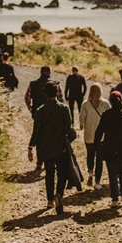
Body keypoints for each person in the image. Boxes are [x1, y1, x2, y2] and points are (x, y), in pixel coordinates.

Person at [28, 82, 73, 214]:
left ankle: (49, 201)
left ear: (45, 94)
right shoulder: (64, 109)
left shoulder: (41, 110)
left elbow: (36, 131)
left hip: (46, 147)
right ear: (57, 92)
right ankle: (59, 194)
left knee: (49, 173)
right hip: (61, 147)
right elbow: (68, 129)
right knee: (62, 173)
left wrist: (31, 147)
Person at [93, 90, 122, 206]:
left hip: (110, 148)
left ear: (110, 102)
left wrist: (95, 146)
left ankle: (115, 199)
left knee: (112, 173)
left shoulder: (106, 115)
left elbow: (99, 132)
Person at [25, 66, 63, 168]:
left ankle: (39, 162)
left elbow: (27, 97)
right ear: (50, 73)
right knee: (52, 136)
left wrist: (30, 108)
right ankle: (51, 159)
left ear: (41, 72)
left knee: (39, 136)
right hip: (54, 115)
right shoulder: (56, 84)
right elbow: (61, 100)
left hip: (38, 114)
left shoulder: (33, 84)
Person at [78, 83, 110, 188]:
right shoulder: (105, 103)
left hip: (89, 135)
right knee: (99, 159)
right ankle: (97, 182)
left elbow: (81, 119)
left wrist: (82, 125)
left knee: (90, 155)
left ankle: (90, 173)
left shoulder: (85, 104)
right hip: (101, 136)